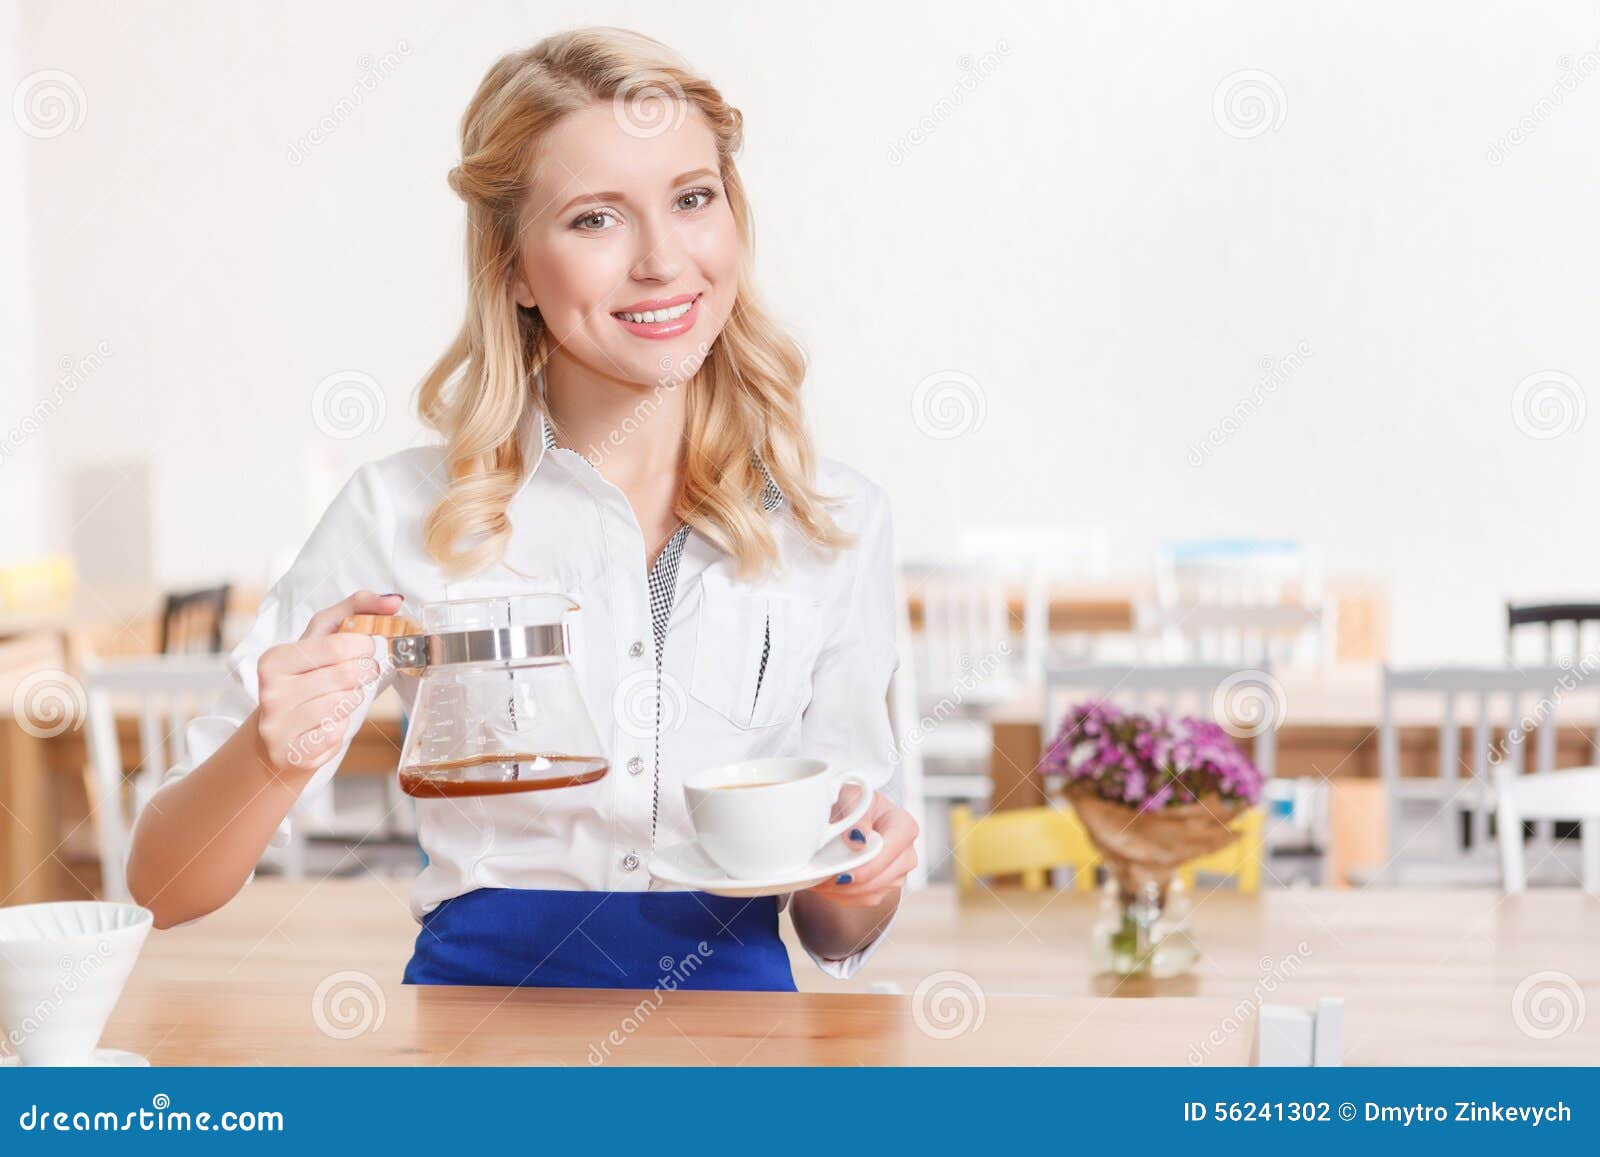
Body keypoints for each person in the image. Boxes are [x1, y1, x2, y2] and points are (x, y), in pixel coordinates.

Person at [126, 26, 918, 992]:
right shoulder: (396, 514)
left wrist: (865, 873)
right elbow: (162, 887)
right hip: (475, 1034)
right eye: (596, 219)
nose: (664, 260)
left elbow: (833, 929)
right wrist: (268, 754)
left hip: (734, 1035)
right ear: (510, 266)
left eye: (693, 198)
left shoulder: (832, 520)